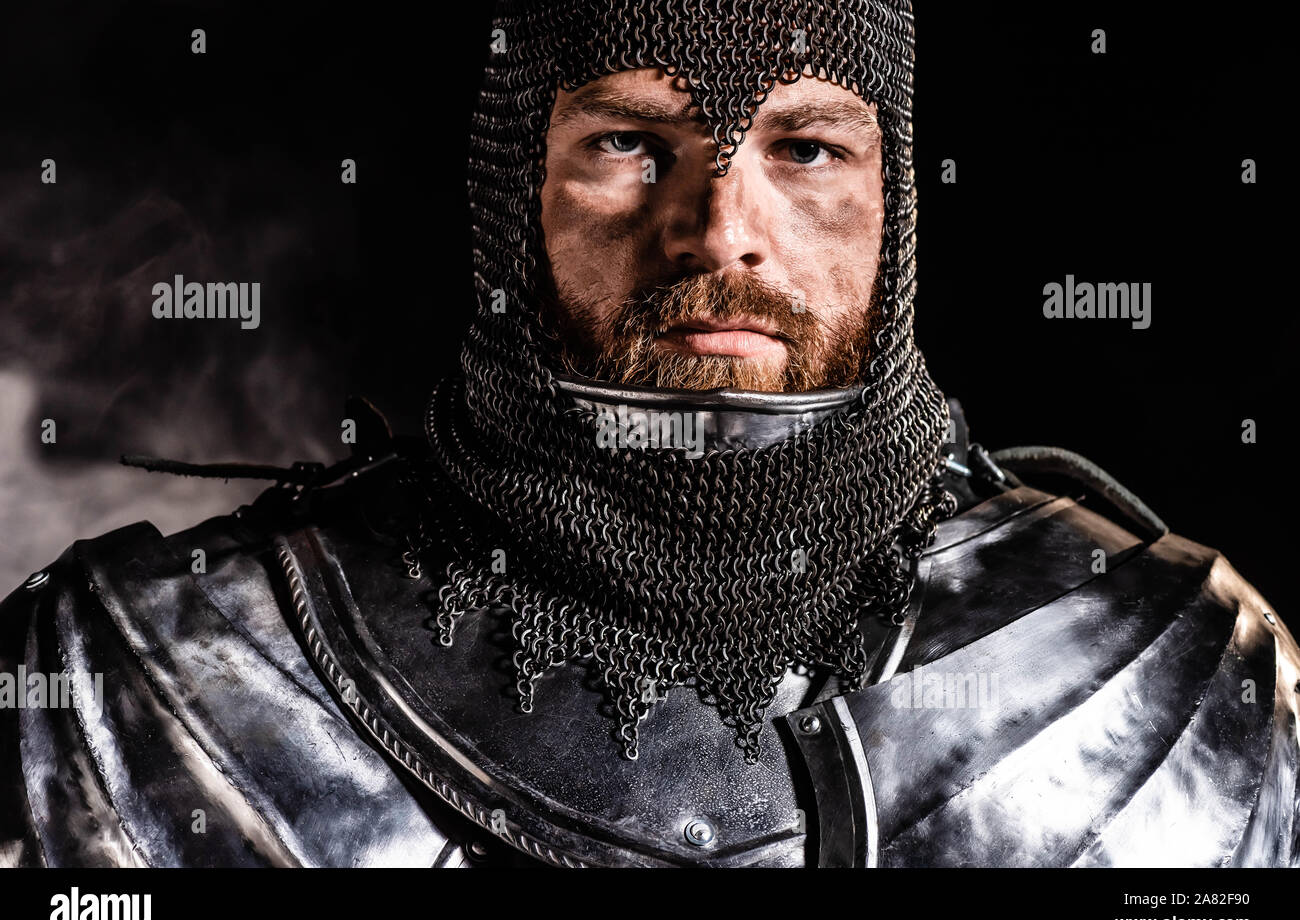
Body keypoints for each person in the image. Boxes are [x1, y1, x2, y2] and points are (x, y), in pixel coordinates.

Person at [2, 0, 1295, 868]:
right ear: (518, 196)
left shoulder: (1174, 677)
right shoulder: (139, 692)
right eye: (631, 142)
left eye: (804, 148)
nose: (720, 228)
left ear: (893, 199)